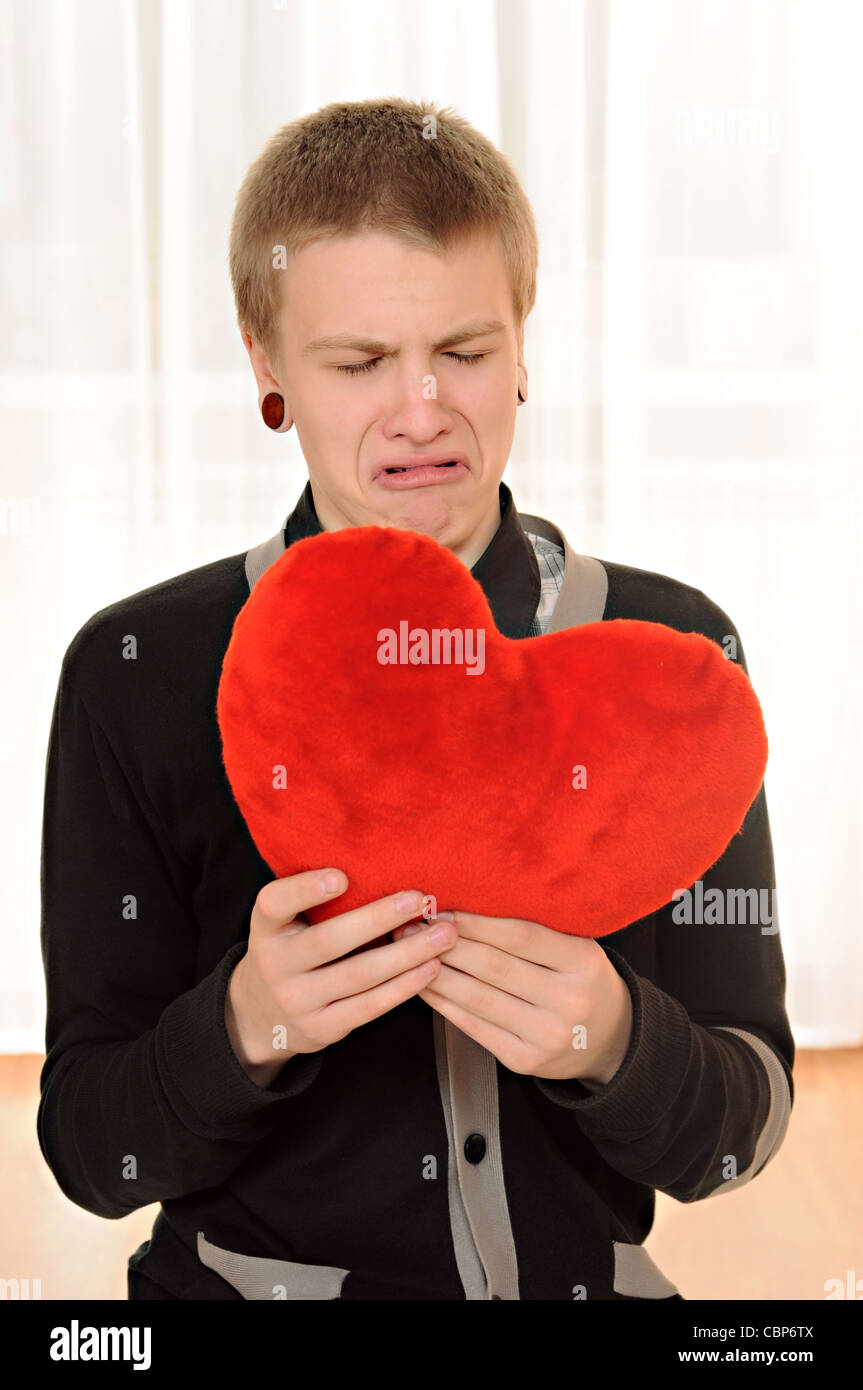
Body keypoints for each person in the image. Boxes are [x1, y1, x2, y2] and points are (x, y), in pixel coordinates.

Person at [38, 97, 794, 1301]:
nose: (422, 411)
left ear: (523, 345)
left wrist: (611, 1040)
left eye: (466, 350)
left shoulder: (670, 658)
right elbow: (88, 1151)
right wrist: (245, 1027)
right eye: (358, 362)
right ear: (265, 361)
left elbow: (741, 1128)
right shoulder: (139, 670)